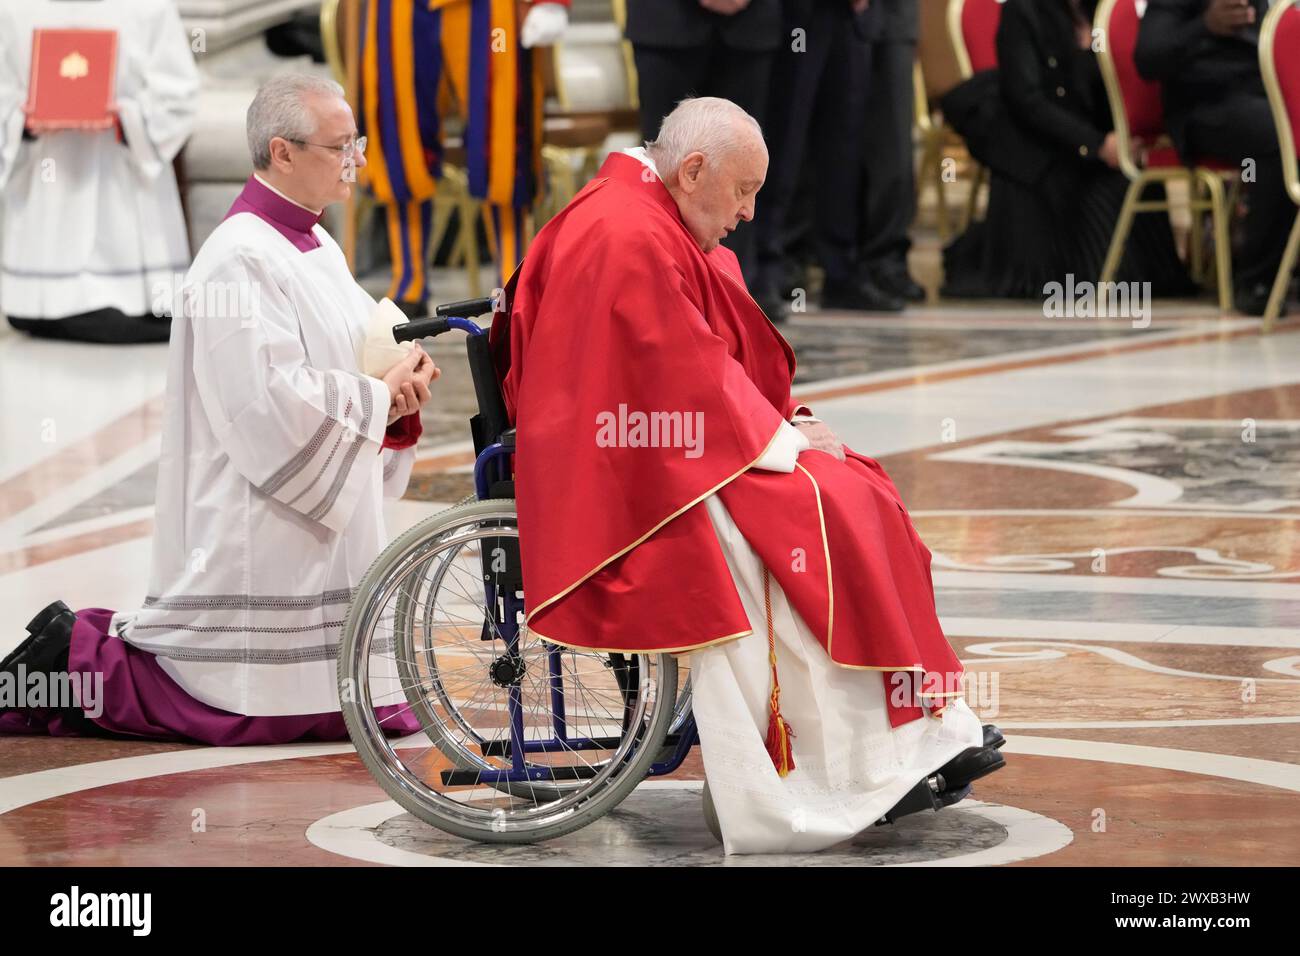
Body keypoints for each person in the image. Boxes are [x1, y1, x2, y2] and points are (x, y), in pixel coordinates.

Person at [491, 97, 1003, 855]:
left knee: (853, 488)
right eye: (742, 191)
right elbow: (671, 377)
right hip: (627, 476)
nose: (750, 213)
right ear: (693, 169)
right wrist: (778, 440)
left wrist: (778, 422)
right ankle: (849, 769)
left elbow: (694, 359)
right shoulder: (624, 233)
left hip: (667, 449)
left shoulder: (649, 211)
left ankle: (909, 739)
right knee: (821, 513)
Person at [0, 75, 437, 745]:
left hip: (314, 513)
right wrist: (377, 398)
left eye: (358, 144)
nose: (357, 161)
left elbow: (355, 351)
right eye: (341, 146)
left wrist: (400, 386)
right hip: (256, 513)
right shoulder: (237, 259)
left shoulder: (316, 244)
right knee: (233, 705)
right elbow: (267, 406)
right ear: (282, 153)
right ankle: (66, 666)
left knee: (358, 709)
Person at [941, 0, 1193, 299]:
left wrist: (1125, 138)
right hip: (1040, 149)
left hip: (1088, 142)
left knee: (1133, 185)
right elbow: (1026, 101)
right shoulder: (1022, 11)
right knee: (1099, 208)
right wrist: (1096, 145)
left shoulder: (1098, 11)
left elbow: (1110, 90)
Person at [0, 0, 199, 342]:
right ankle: (41, 305)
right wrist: (25, 122)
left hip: (122, 170)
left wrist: (124, 120)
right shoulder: (14, 9)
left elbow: (178, 95)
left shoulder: (149, 8)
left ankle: (128, 308)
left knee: (155, 307)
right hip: (47, 172)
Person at [357, 0, 570, 317]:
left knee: (503, 135)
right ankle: (407, 282)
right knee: (401, 137)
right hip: (402, 10)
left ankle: (511, 281)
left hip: (492, 14)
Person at [1136, 0, 1292, 315]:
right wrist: (1205, 25)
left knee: (1282, 125)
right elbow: (1147, 59)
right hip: (1203, 107)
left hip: (1263, 98)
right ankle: (1257, 279)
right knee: (1277, 138)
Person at [624, 0, 782, 291]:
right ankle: (660, 283)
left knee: (746, 169)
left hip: (752, 22)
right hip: (666, 20)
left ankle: (733, 290)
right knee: (666, 163)